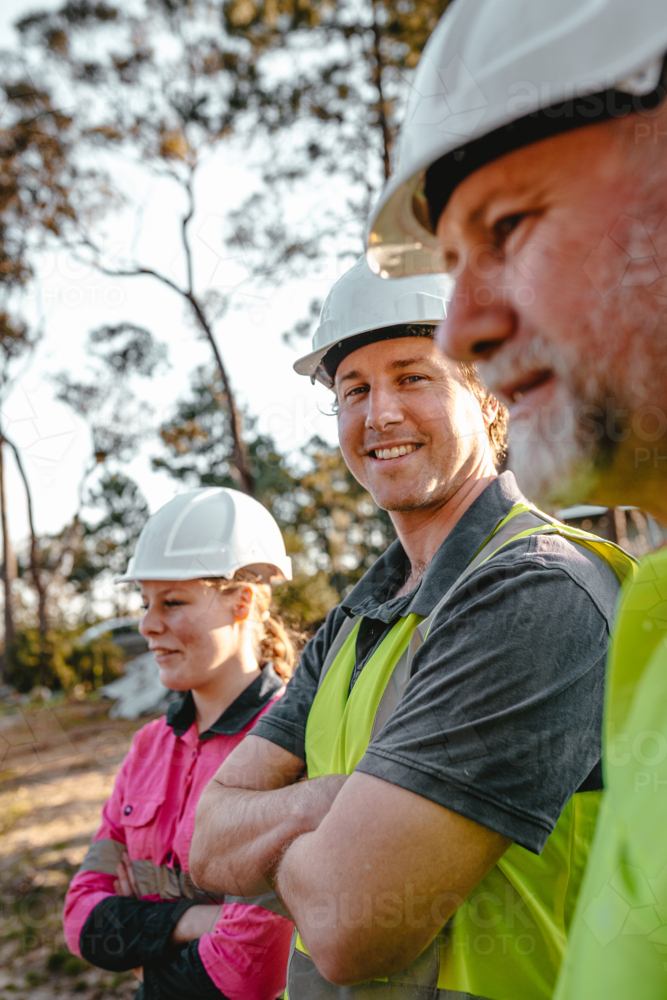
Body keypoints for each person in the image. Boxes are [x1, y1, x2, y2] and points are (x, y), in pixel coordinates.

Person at [189, 258, 633, 999]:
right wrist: (335, 804)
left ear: (486, 392)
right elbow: (206, 843)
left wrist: (285, 836)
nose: (379, 413)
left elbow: (349, 923)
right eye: (352, 390)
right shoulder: (353, 622)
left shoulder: (538, 592)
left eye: (413, 376)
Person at [365, 2, 667, 997]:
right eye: (452, 264)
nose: (461, 332)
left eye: (510, 225)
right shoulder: (650, 636)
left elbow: (348, 912)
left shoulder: (548, 592)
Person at [63, 487, 295, 1000]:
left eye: (173, 602)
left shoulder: (291, 744)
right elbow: (81, 919)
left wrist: (143, 953)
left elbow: (249, 972)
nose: (147, 625)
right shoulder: (148, 746)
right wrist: (194, 920)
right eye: (146, 602)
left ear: (243, 603)